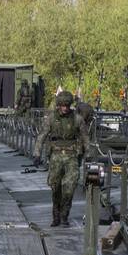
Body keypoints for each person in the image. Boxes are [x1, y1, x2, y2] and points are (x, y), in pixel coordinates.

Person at [39, 91, 88, 227]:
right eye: (62, 105)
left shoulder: (77, 119)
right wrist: (37, 153)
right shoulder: (51, 118)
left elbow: (85, 138)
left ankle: (64, 216)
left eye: (67, 105)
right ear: (58, 105)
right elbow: (42, 135)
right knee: (55, 187)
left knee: (69, 187)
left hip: (71, 156)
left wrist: (88, 153)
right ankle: (56, 216)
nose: (65, 108)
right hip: (55, 156)